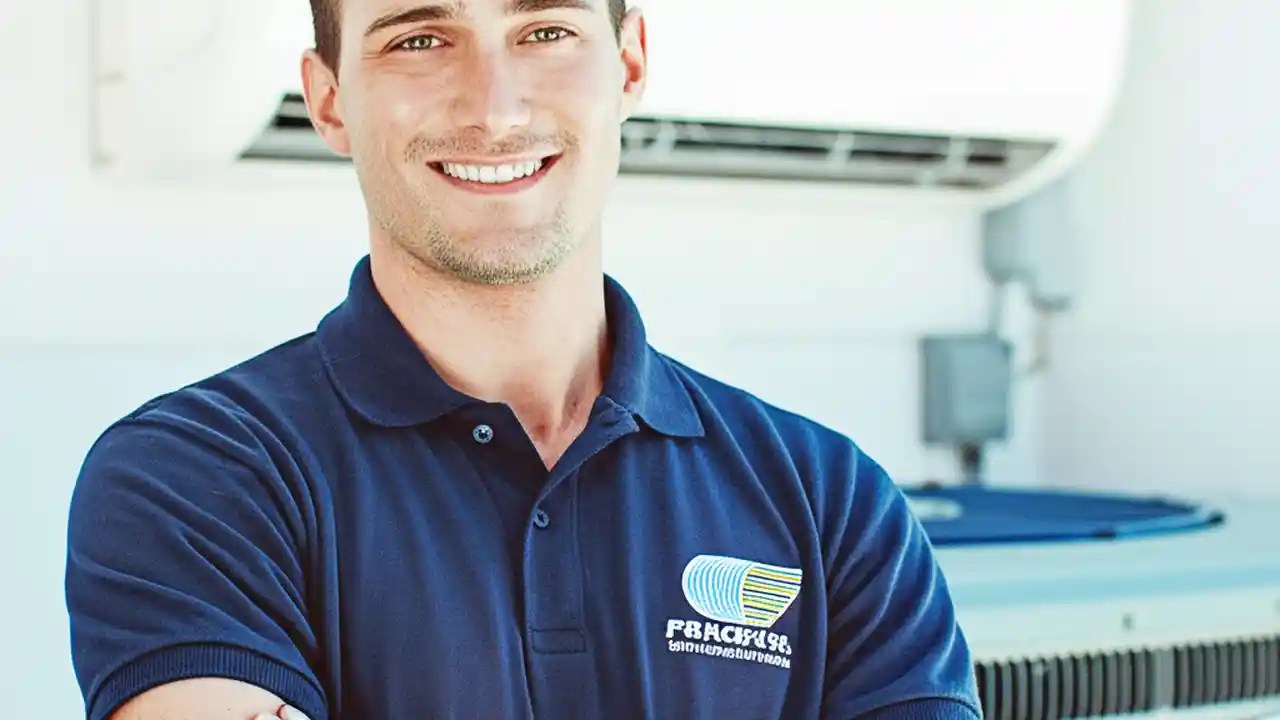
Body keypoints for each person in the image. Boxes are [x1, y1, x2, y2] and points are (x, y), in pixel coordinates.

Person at [64, 0, 983, 718]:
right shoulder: (197, 479)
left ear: (628, 63)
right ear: (329, 98)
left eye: (545, 30)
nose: (494, 108)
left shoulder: (830, 505)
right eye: (420, 40)